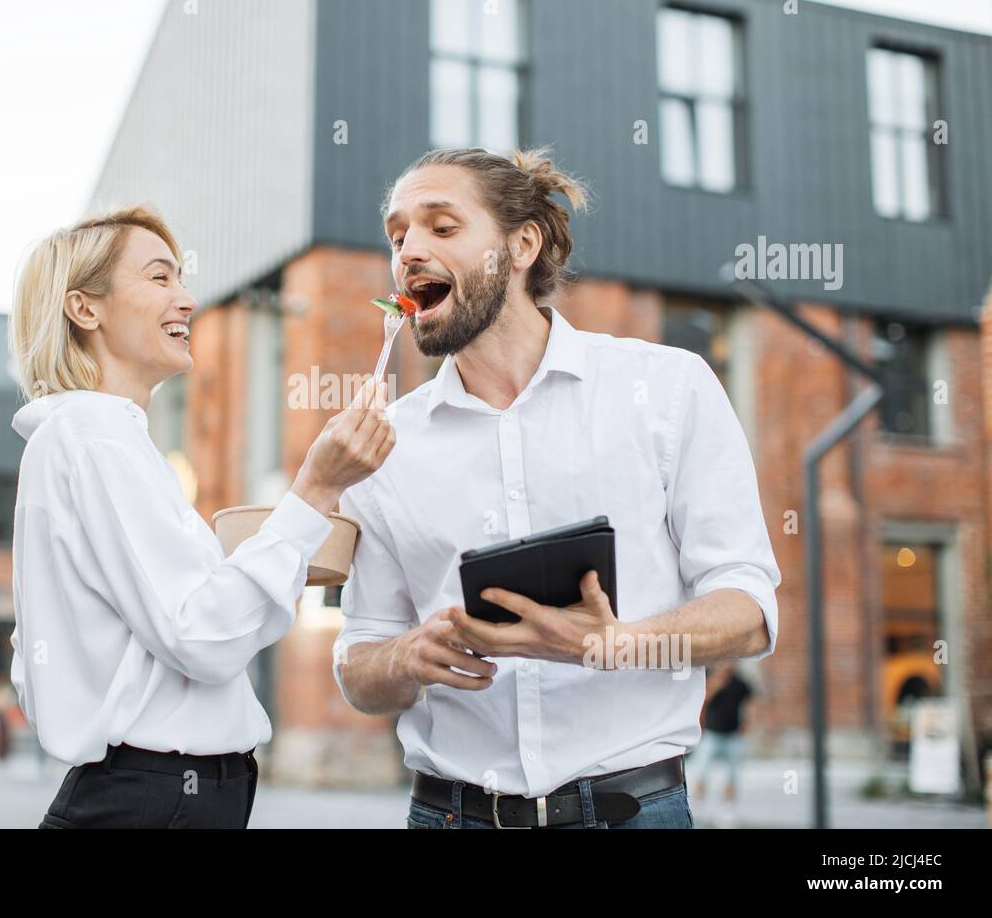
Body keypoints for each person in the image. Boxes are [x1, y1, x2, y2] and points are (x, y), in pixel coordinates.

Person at [332, 147, 780, 829]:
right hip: (450, 815)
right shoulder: (383, 446)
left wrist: (611, 643)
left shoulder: (667, 388)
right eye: (398, 237)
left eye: (441, 228)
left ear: (522, 244)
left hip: (635, 812)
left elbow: (747, 613)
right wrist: (406, 656)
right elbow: (359, 669)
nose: (409, 252)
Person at [7, 207, 394, 828]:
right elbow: (203, 638)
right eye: (160, 279)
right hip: (154, 801)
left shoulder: (91, 439)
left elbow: (36, 663)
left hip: (148, 796)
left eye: (181, 279)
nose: (186, 299)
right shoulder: (95, 437)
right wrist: (315, 489)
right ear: (86, 309)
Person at [688, 662, 755, 827]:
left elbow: (750, 705)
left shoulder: (740, 684)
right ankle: (698, 805)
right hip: (712, 734)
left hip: (733, 735)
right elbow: (702, 701)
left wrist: (746, 726)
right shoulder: (710, 679)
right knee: (702, 770)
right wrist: (716, 684)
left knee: (733, 774)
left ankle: (728, 808)